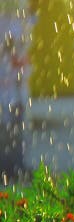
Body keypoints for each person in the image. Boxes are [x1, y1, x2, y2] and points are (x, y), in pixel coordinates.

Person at [0, 13, 31, 182]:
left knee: (16, 133)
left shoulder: (16, 22)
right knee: (7, 133)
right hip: (7, 95)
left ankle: (16, 167)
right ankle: (8, 167)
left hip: (15, 95)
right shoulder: (11, 24)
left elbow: (23, 65)